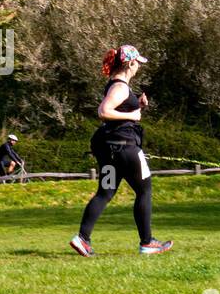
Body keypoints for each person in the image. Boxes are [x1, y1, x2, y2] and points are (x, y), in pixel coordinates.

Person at [70, 45, 172, 258]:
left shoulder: (116, 86)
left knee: (105, 193)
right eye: (137, 64)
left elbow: (119, 113)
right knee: (145, 190)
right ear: (130, 63)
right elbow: (104, 111)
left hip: (110, 152)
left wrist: (138, 108)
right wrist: (135, 116)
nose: (138, 68)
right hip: (127, 150)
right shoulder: (121, 88)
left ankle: (82, 239)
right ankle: (147, 243)